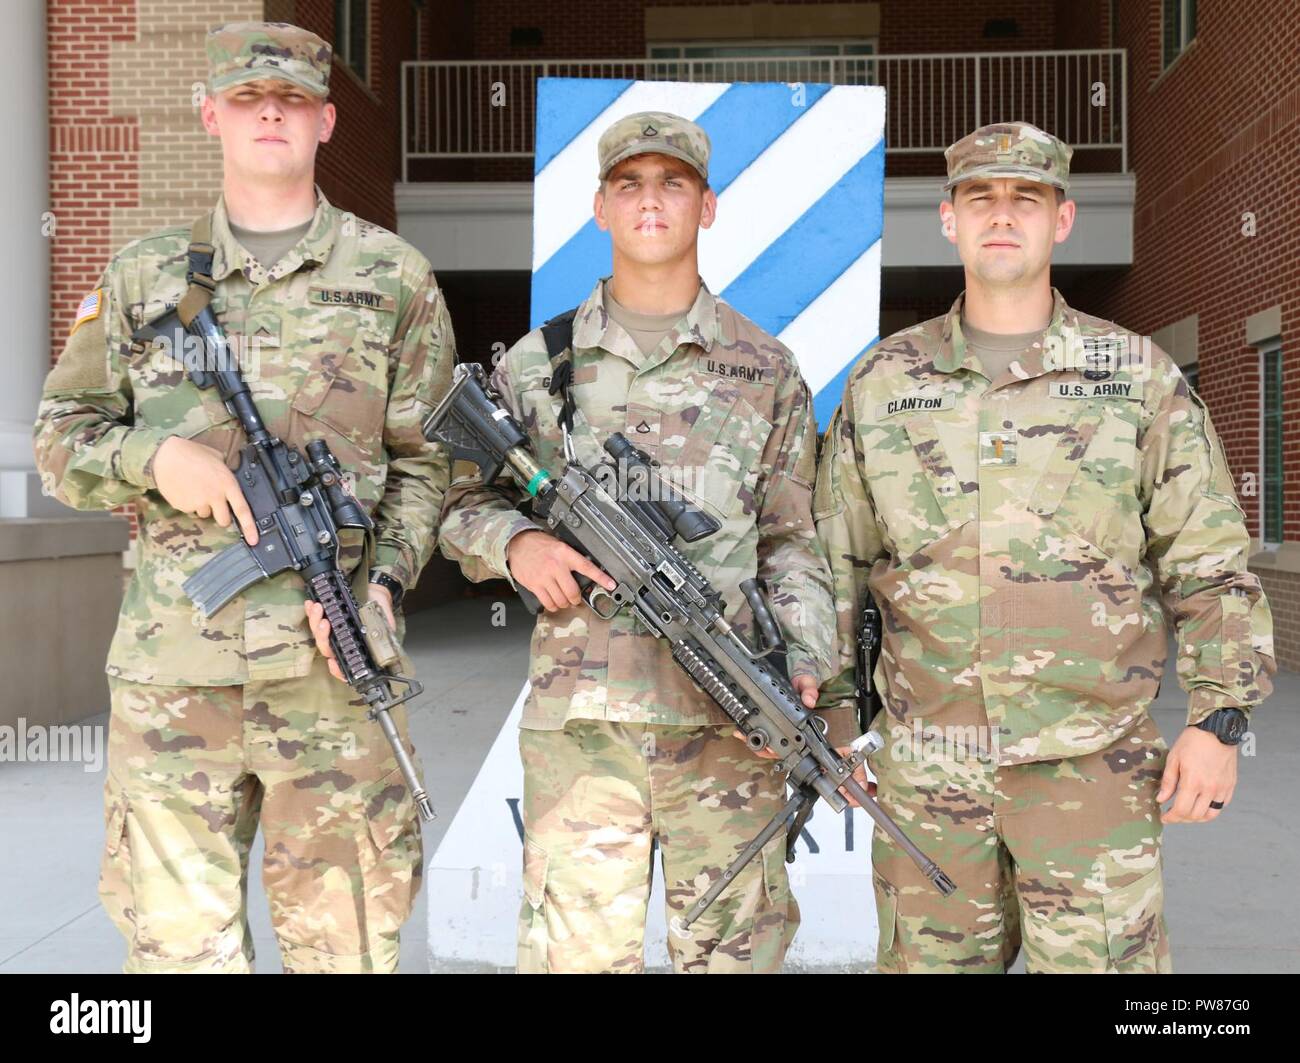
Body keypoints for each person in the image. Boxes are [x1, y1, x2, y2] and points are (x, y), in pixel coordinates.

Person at [32, 21, 456, 973]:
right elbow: (58, 437)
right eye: (249, 98)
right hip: (175, 677)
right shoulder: (141, 276)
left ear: (326, 121)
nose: (272, 114)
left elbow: (431, 464)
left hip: (334, 676)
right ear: (210, 115)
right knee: (178, 952)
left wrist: (384, 585)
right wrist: (155, 459)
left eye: (293, 99)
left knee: (345, 948)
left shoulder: (394, 277)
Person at [813, 122, 1276, 974]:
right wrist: (836, 715)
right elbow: (834, 562)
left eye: (1025, 198)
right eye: (979, 198)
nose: (1002, 215)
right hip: (929, 777)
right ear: (948, 219)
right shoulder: (884, 383)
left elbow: (1210, 563)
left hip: (1092, 771)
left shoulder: (1136, 377)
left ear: (1061, 219)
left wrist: (1219, 718)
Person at [438, 112, 843, 973]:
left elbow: (792, 539)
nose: (650, 201)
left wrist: (805, 662)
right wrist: (517, 544)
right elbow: (461, 500)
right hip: (584, 729)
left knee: (734, 956)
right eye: (630, 184)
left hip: (730, 725)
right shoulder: (538, 363)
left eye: (672, 183)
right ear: (600, 208)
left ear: (708, 206)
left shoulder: (766, 368)